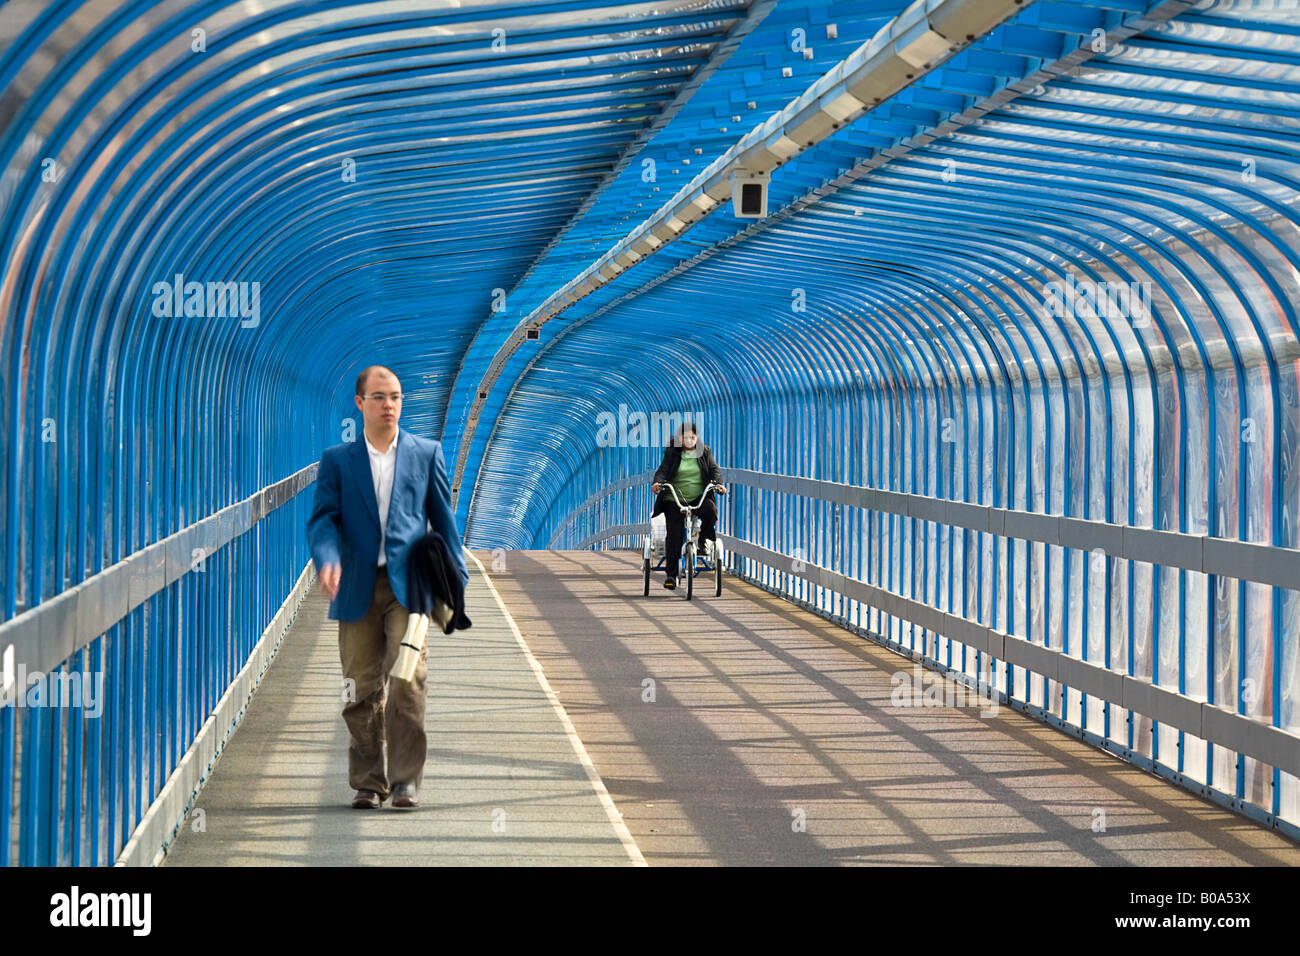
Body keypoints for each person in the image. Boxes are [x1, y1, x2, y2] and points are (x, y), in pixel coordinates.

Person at [306, 365, 468, 810]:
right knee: (359, 688)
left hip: (409, 589)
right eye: (378, 397)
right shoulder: (338, 460)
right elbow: (323, 520)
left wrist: (457, 582)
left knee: (407, 680)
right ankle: (367, 781)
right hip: (356, 586)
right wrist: (327, 559)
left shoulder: (425, 452)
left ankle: (404, 781)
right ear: (359, 404)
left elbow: (443, 520)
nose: (388, 405)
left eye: (395, 396)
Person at [650, 422, 727, 589]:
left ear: (697, 438)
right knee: (674, 535)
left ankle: (704, 540)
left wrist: (719, 484)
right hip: (674, 499)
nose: (690, 440)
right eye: (686, 438)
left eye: (693, 437)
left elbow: (714, 469)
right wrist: (658, 482)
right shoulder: (672, 452)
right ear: (680, 439)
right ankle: (671, 575)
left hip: (698, 497)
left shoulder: (704, 452)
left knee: (711, 511)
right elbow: (663, 470)